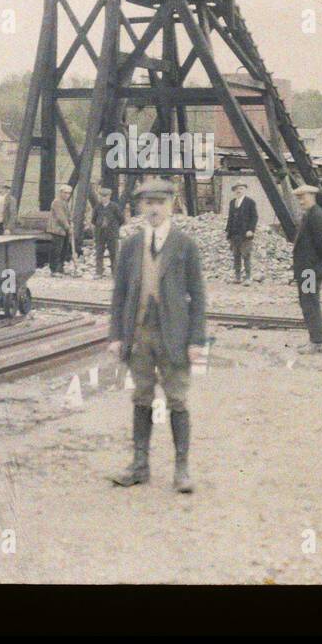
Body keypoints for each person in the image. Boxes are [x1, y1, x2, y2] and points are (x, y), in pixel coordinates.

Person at [107, 177, 207, 493]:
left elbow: (198, 295)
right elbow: (119, 293)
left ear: (171, 205)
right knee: (141, 397)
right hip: (139, 334)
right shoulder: (131, 246)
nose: (154, 209)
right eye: (148, 203)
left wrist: (195, 339)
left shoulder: (185, 245)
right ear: (140, 207)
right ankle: (140, 465)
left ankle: (181, 469)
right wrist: (116, 335)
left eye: (160, 203)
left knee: (177, 399)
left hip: (174, 336)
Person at [291, 184, 322, 353]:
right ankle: (315, 340)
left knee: (309, 303)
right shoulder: (311, 214)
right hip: (307, 269)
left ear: (312, 196)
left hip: (310, 270)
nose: (301, 201)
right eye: (299, 198)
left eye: (303, 197)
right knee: (308, 302)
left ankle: (317, 342)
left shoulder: (316, 215)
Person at [224, 181, 258, 284]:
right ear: (234, 191)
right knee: (236, 255)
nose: (239, 190)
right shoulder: (232, 202)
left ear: (245, 190)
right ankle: (237, 277)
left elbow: (254, 217)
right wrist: (227, 231)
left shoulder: (250, 202)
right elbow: (230, 218)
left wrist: (251, 230)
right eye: (237, 189)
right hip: (234, 233)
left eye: (241, 188)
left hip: (245, 234)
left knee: (246, 255)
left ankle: (248, 278)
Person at [92, 185, 125, 278]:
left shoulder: (114, 207)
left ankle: (115, 273)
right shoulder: (97, 207)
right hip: (100, 234)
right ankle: (99, 272)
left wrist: (114, 227)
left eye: (105, 196)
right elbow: (93, 220)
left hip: (112, 234)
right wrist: (99, 225)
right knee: (99, 253)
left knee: (114, 253)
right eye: (102, 196)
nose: (103, 198)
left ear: (109, 196)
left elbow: (121, 219)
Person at [48, 183, 73, 274]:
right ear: (60, 192)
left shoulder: (65, 202)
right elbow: (60, 217)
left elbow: (67, 215)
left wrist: (71, 222)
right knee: (56, 250)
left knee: (64, 250)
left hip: (64, 230)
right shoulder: (57, 202)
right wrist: (68, 227)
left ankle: (60, 268)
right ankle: (54, 270)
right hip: (57, 230)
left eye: (69, 193)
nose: (67, 195)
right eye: (65, 193)